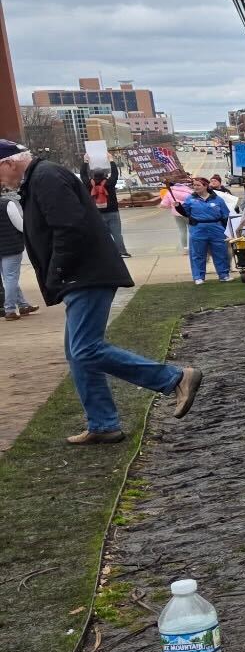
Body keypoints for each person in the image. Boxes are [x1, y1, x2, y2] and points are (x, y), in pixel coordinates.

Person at [0, 140, 201, 444]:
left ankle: (174, 378)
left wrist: (58, 272)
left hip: (85, 274)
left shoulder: (46, 177)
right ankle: (103, 424)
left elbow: (69, 228)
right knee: (78, 353)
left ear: (8, 163)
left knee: (85, 349)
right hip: (81, 274)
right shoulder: (41, 178)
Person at [177, 178, 234, 283]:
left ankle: (224, 275)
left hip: (216, 228)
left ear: (205, 186)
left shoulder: (217, 199)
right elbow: (185, 213)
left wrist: (228, 231)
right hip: (198, 228)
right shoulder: (190, 199)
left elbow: (225, 215)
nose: (195, 187)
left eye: (198, 185)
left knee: (220, 252)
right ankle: (198, 277)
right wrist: (178, 207)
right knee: (197, 253)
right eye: (194, 185)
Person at [2, 180, 37, 319]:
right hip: (11, 246)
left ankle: (23, 305)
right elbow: (20, 225)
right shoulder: (7, 204)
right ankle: (9, 309)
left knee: (8, 277)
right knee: (11, 277)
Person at [88, 163, 127, 255]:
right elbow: (115, 174)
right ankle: (122, 252)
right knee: (117, 234)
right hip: (113, 211)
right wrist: (112, 161)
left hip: (97, 213)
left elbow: (83, 175)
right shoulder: (110, 183)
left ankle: (106, 254)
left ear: (93, 175)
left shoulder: (89, 184)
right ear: (104, 175)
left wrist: (86, 162)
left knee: (102, 235)